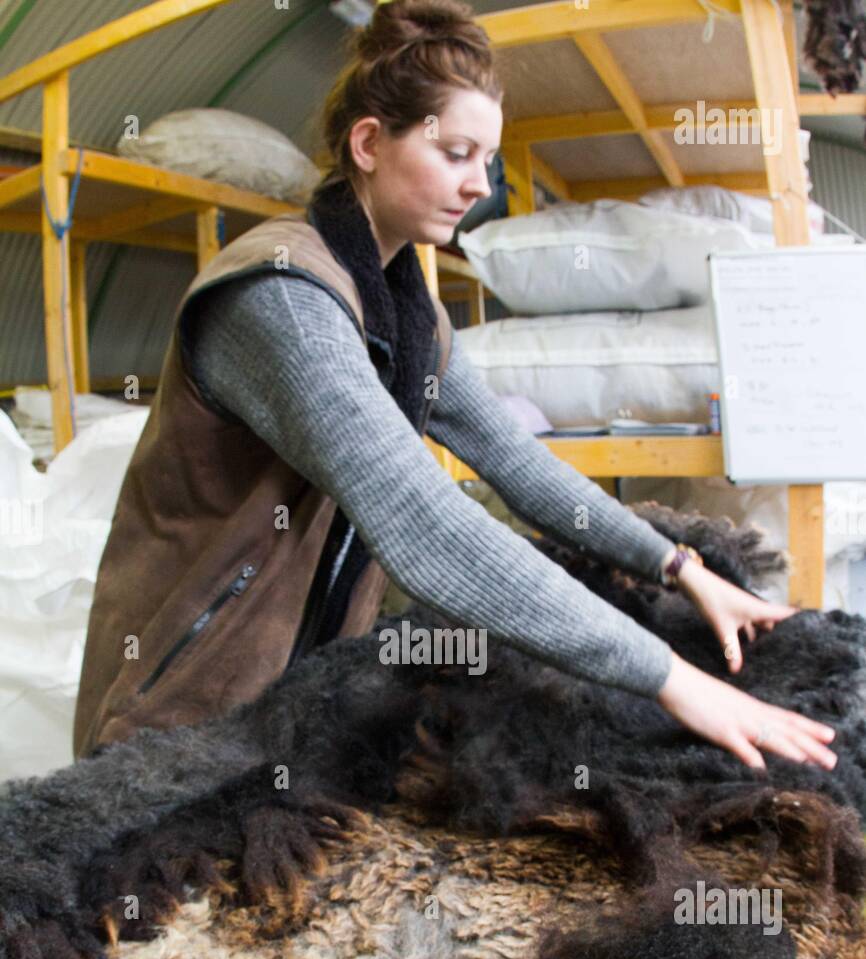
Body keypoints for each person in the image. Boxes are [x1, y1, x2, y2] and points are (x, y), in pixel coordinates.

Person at [72, 0, 836, 776]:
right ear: (369, 143)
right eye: (457, 153)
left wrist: (681, 568)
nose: (479, 185)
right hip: (180, 715)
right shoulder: (281, 297)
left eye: (487, 161)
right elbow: (418, 518)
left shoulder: (411, 316)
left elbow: (522, 467)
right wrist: (672, 679)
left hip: (298, 699)